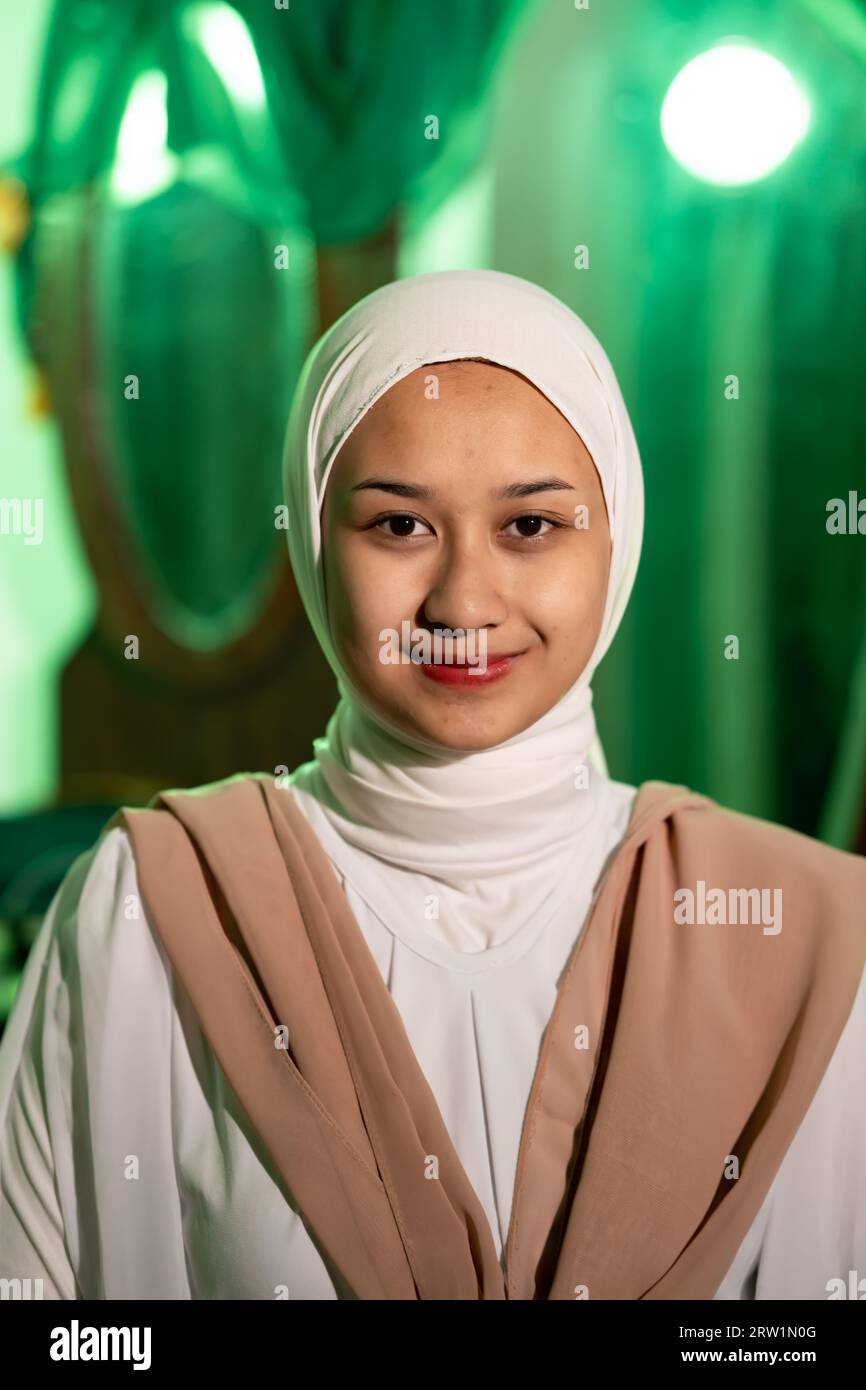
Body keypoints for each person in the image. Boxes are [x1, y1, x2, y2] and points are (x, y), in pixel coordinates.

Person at [1, 269, 864, 1300]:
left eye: (531, 526)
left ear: (618, 536)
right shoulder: (151, 908)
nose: (463, 596)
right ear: (317, 535)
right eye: (398, 525)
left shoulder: (799, 933)